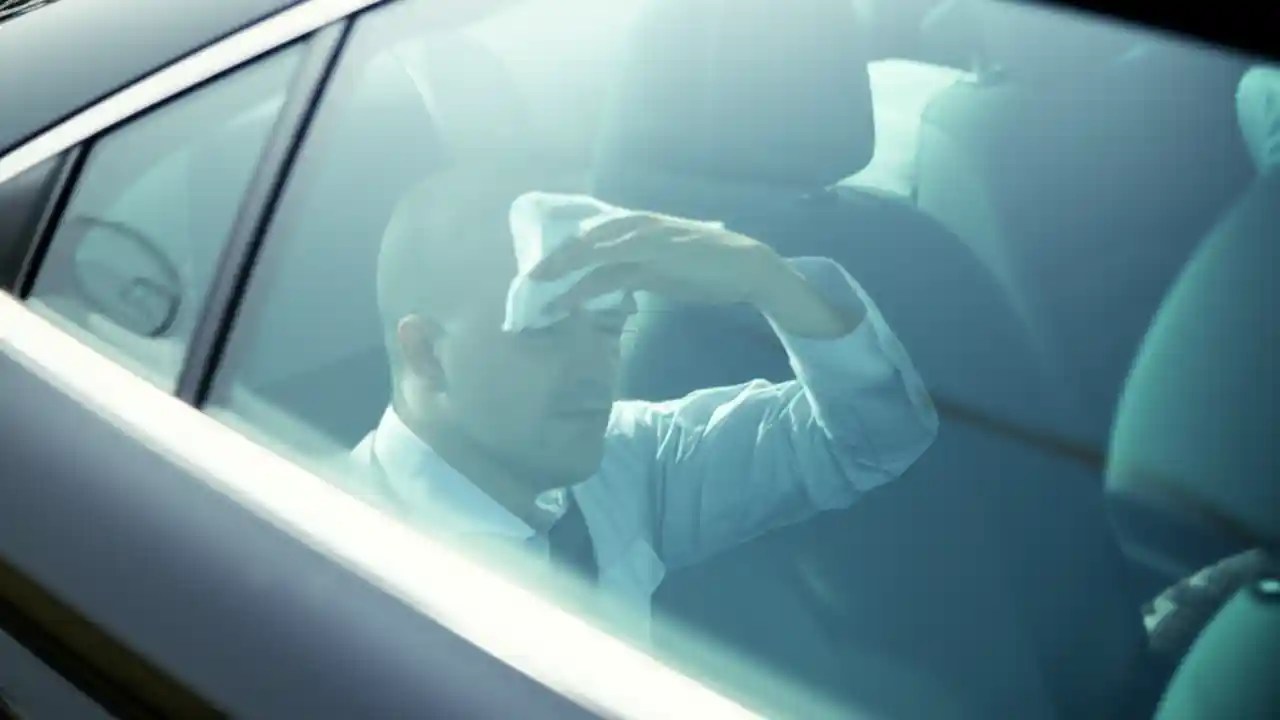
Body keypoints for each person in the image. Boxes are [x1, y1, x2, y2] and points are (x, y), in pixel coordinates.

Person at [350, 161, 938, 629]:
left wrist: (767, 279)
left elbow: (874, 437)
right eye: (546, 331)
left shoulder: (625, 461)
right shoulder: (334, 575)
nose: (596, 370)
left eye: (610, 328)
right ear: (426, 353)